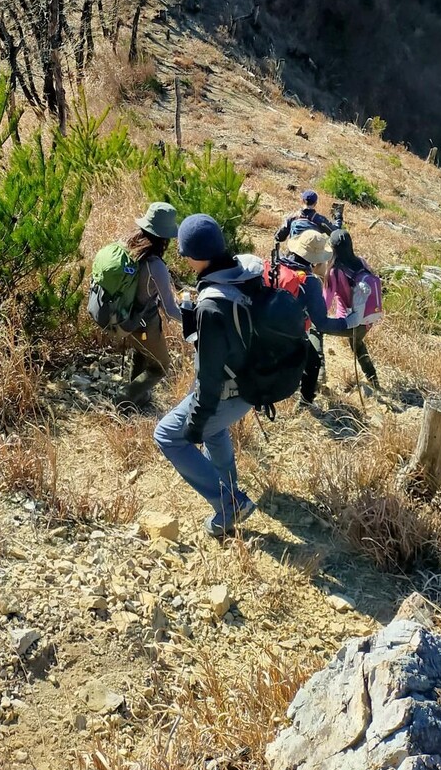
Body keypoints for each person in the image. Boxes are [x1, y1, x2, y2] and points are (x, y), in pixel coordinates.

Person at [153, 213, 261, 539]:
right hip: (250, 386)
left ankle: (230, 505)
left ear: (195, 256)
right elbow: (221, 339)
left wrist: (195, 425)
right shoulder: (243, 273)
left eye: (185, 254)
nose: (184, 260)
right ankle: (229, 489)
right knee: (215, 432)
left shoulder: (213, 304)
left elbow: (210, 382)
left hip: (228, 392)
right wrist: (192, 317)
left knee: (168, 435)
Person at [276, 229, 352, 407]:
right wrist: (347, 322)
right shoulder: (310, 282)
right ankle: (306, 401)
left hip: (263, 327)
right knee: (313, 362)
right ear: (315, 261)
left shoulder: (278, 264)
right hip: (290, 334)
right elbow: (322, 323)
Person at [118, 202, 182, 407]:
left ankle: (138, 397)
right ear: (165, 238)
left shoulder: (126, 247)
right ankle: (124, 398)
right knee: (161, 366)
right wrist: (196, 317)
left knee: (142, 352)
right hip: (144, 323)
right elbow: (170, 310)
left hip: (123, 317)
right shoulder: (156, 266)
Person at [324, 228, 382, 391]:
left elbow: (324, 306)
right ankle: (374, 380)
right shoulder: (362, 262)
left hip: (349, 323)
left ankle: (318, 376)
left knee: (316, 328)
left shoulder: (334, 271)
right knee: (357, 344)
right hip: (367, 322)